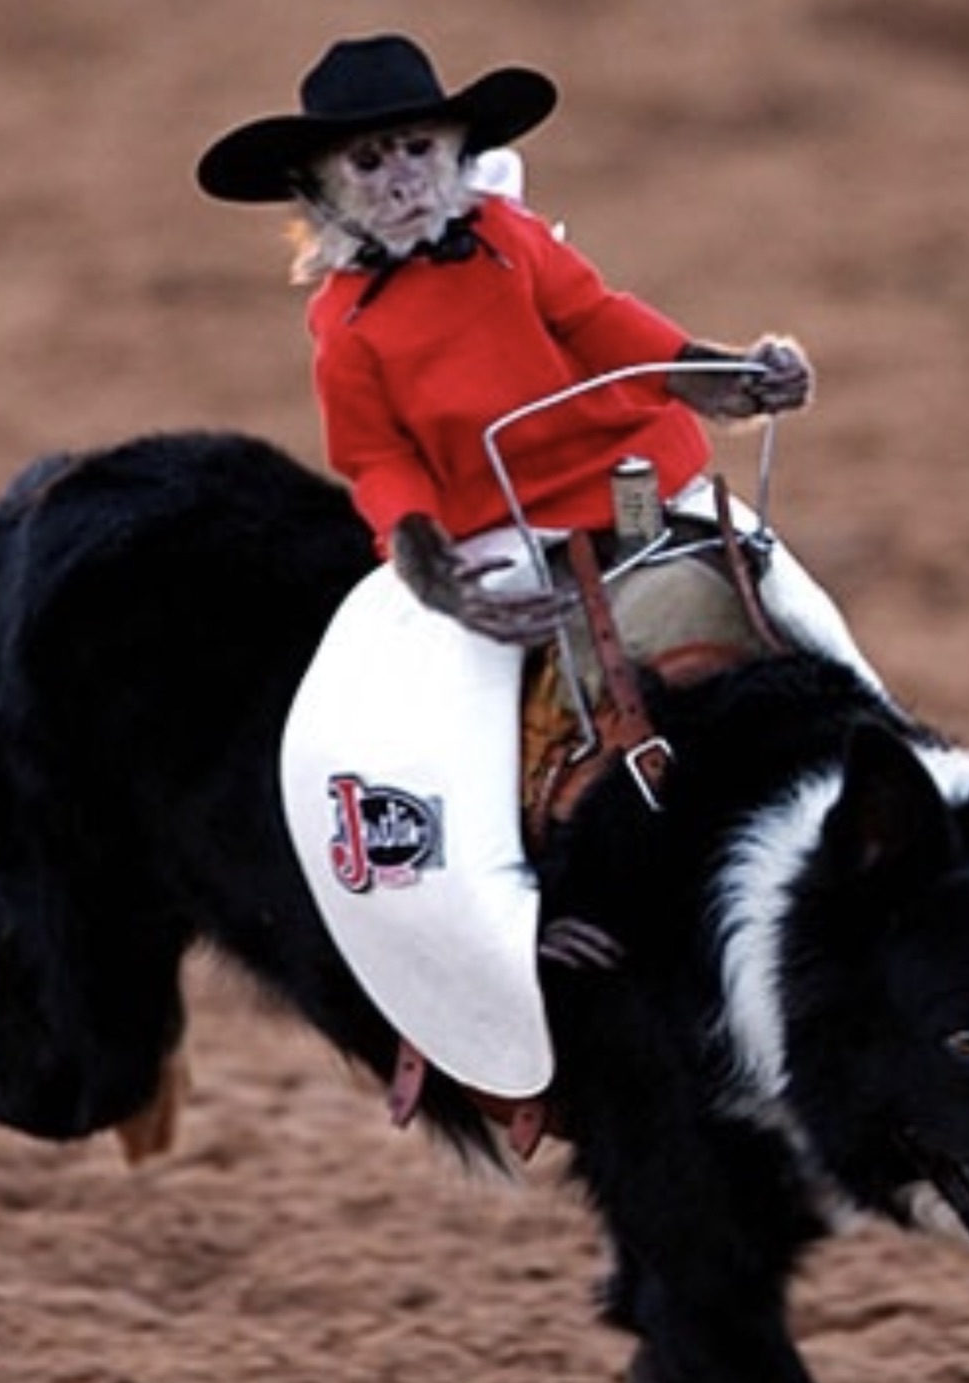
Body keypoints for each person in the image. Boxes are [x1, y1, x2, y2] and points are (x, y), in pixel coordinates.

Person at [194, 34, 825, 1113]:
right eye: (367, 164)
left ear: (456, 152)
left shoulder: (509, 240)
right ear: (320, 190)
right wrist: (431, 569)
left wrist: (717, 374)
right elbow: (376, 460)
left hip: (625, 478)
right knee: (471, 728)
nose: (398, 181)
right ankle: (504, 926)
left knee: (784, 607)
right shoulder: (344, 329)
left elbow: (600, 321)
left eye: (415, 151)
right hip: (495, 527)